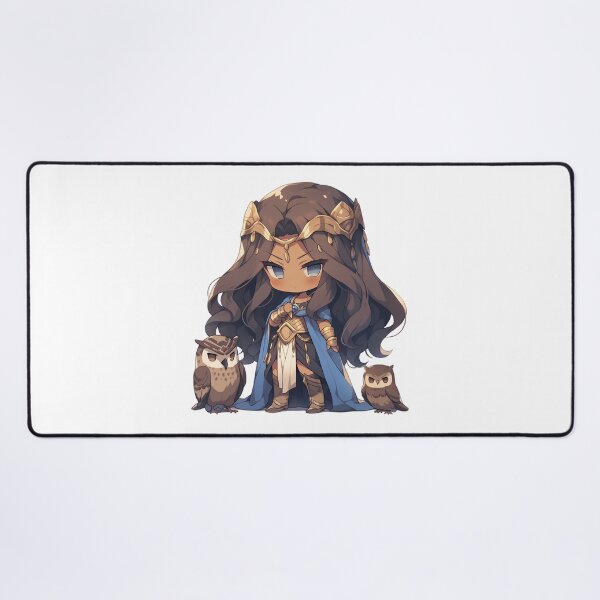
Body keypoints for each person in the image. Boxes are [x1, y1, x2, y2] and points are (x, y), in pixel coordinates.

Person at [205, 182, 406, 412]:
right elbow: (273, 320)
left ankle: (317, 400)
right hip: (282, 344)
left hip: (307, 346)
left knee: (308, 372)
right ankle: (279, 399)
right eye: (276, 269)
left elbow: (323, 322)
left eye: (312, 267)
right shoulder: (284, 302)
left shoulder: (316, 305)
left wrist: (329, 339)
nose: (292, 280)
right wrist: (278, 316)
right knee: (278, 373)